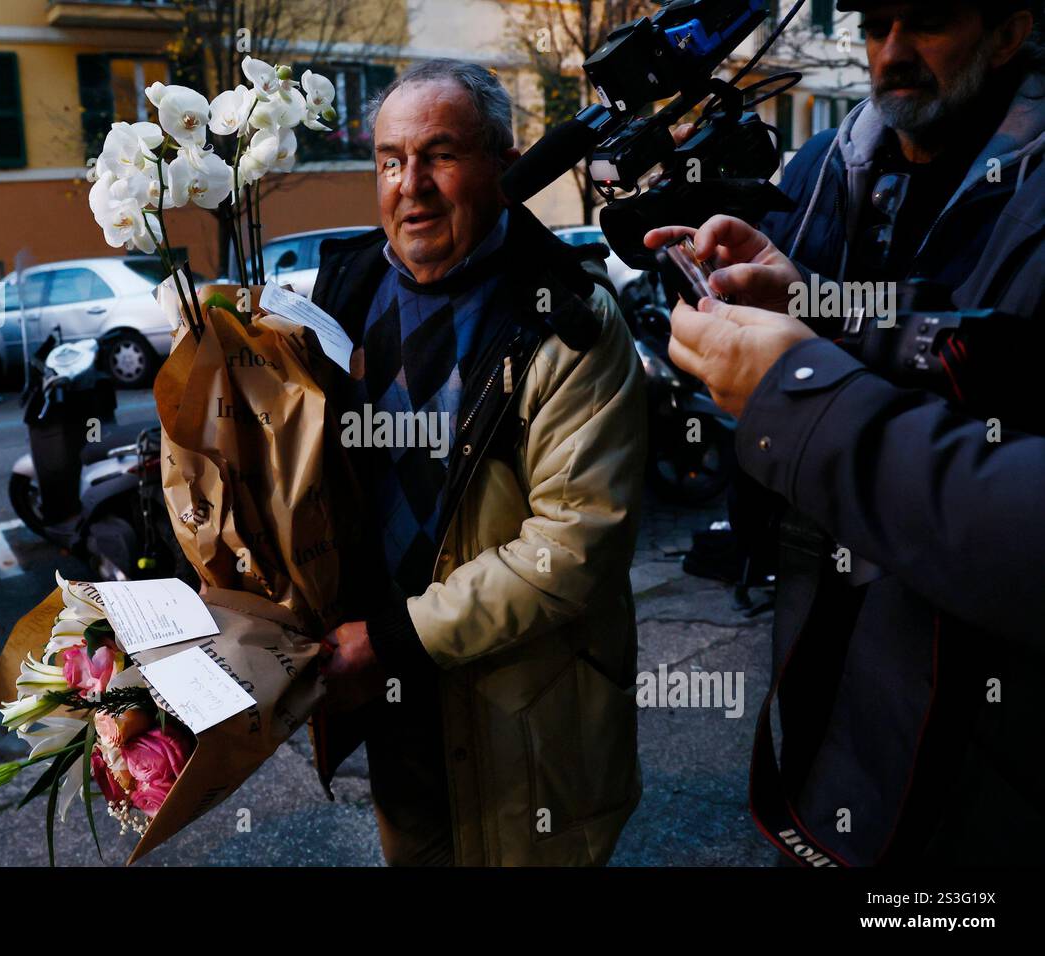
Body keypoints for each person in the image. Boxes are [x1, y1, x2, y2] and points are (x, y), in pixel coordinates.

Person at [644, 0, 1045, 864]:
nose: (892, 52)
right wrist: (799, 304)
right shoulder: (829, 163)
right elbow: (886, 345)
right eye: (874, 21)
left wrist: (798, 391)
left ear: (1009, 30)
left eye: (929, 18)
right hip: (830, 673)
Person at [311, 60, 647, 866]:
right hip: (394, 706)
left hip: (524, 713)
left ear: (504, 164)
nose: (411, 185)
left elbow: (571, 550)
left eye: (441, 155)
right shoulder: (344, 291)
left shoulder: (571, 321)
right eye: (391, 160)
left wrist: (388, 640)